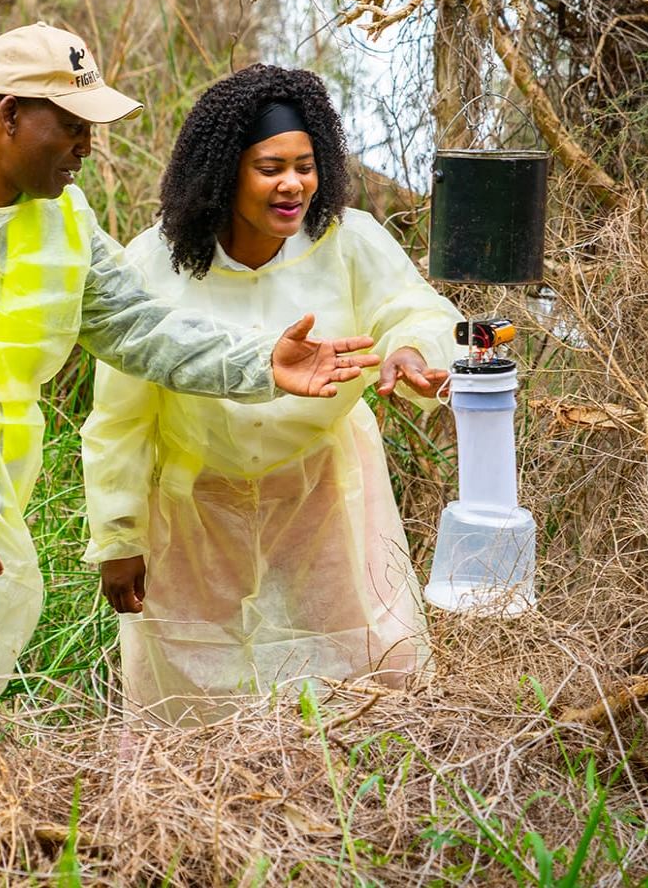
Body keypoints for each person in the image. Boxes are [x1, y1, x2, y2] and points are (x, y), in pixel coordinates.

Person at [0, 25, 383, 731]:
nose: (89, 149)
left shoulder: (65, 218)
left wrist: (258, 362)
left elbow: (139, 327)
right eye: (72, 128)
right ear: (8, 115)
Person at [81, 63, 461, 725]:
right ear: (226, 172)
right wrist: (118, 539)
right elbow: (119, 418)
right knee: (191, 680)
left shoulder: (348, 240)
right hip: (193, 502)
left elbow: (415, 310)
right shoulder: (153, 262)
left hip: (325, 491)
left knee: (370, 655)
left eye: (306, 165)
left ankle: (355, 800)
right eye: (270, 168)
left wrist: (413, 352)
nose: (293, 185)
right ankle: (202, 813)